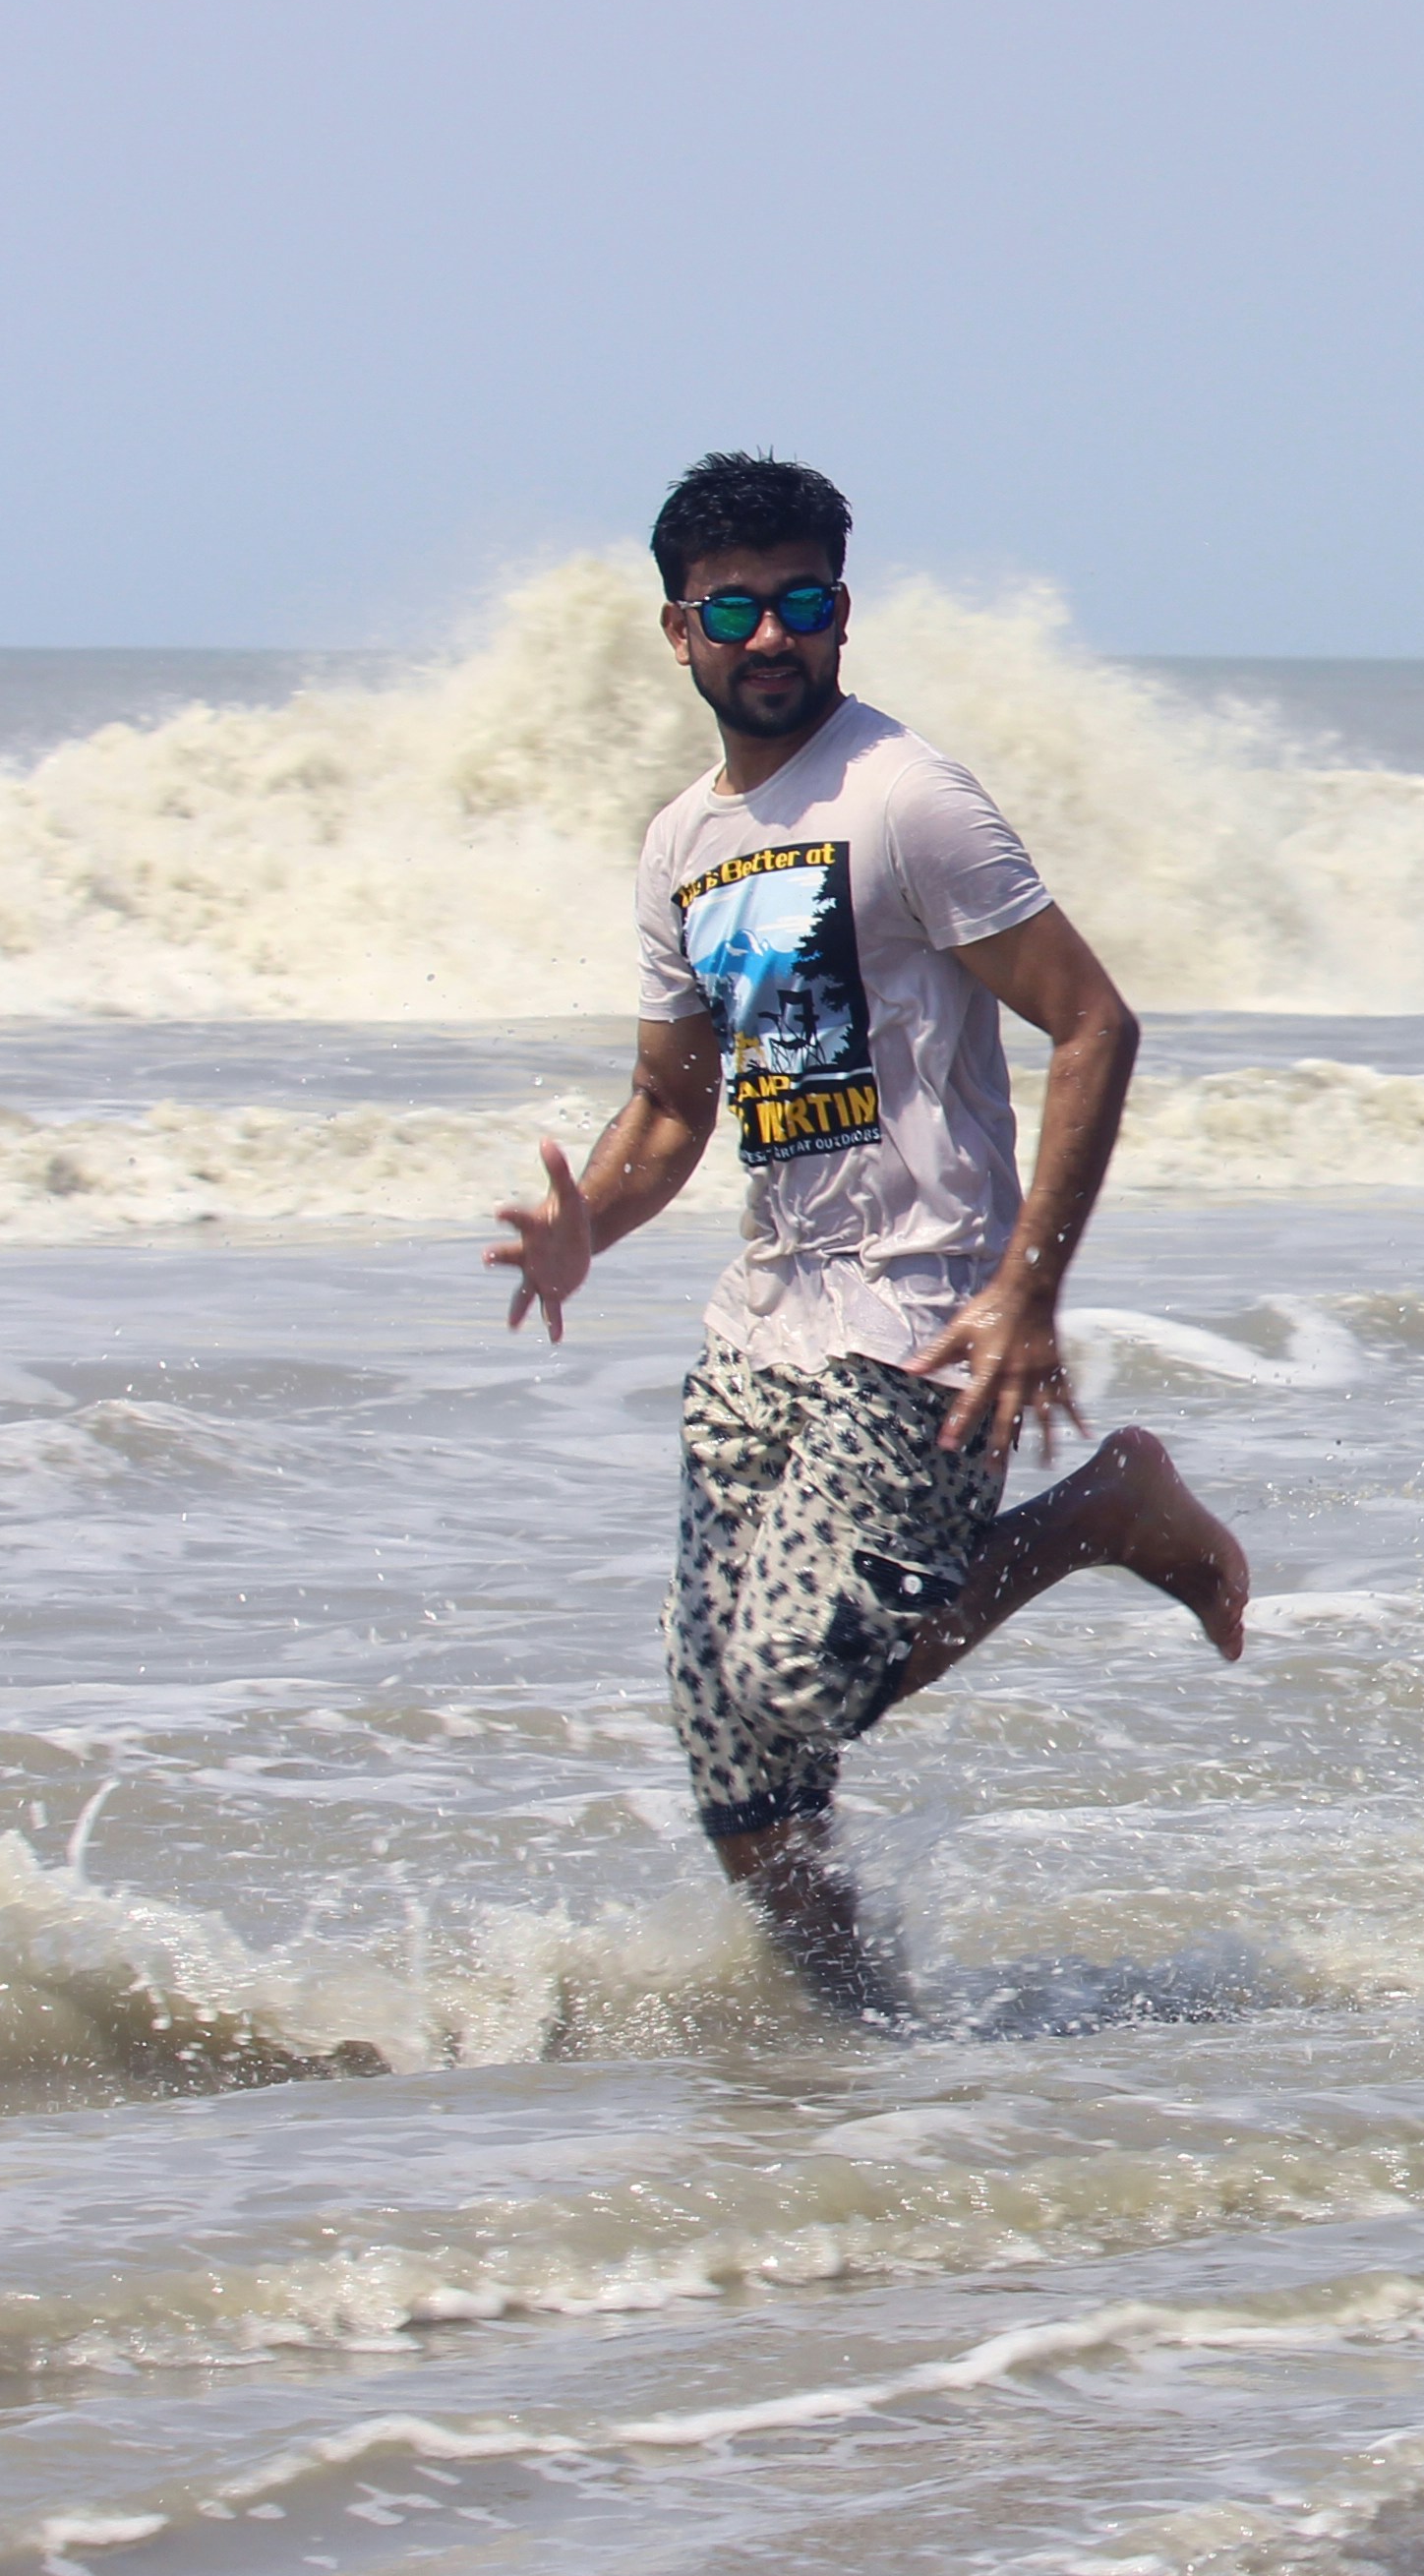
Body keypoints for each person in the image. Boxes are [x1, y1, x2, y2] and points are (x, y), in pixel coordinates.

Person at [488, 451, 1249, 2010]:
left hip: (929, 1306)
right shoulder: (680, 845)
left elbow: (1094, 1024)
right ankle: (856, 2048)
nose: (772, 636)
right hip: (762, 1321)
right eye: (736, 609)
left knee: (796, 1680)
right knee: (735, 1771)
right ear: (678, 630)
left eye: (805, 603)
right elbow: (668, 1111)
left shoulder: (906, 799)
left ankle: (1108, 1509)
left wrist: (1028, 1294)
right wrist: (587, 1237)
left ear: (843, 612)